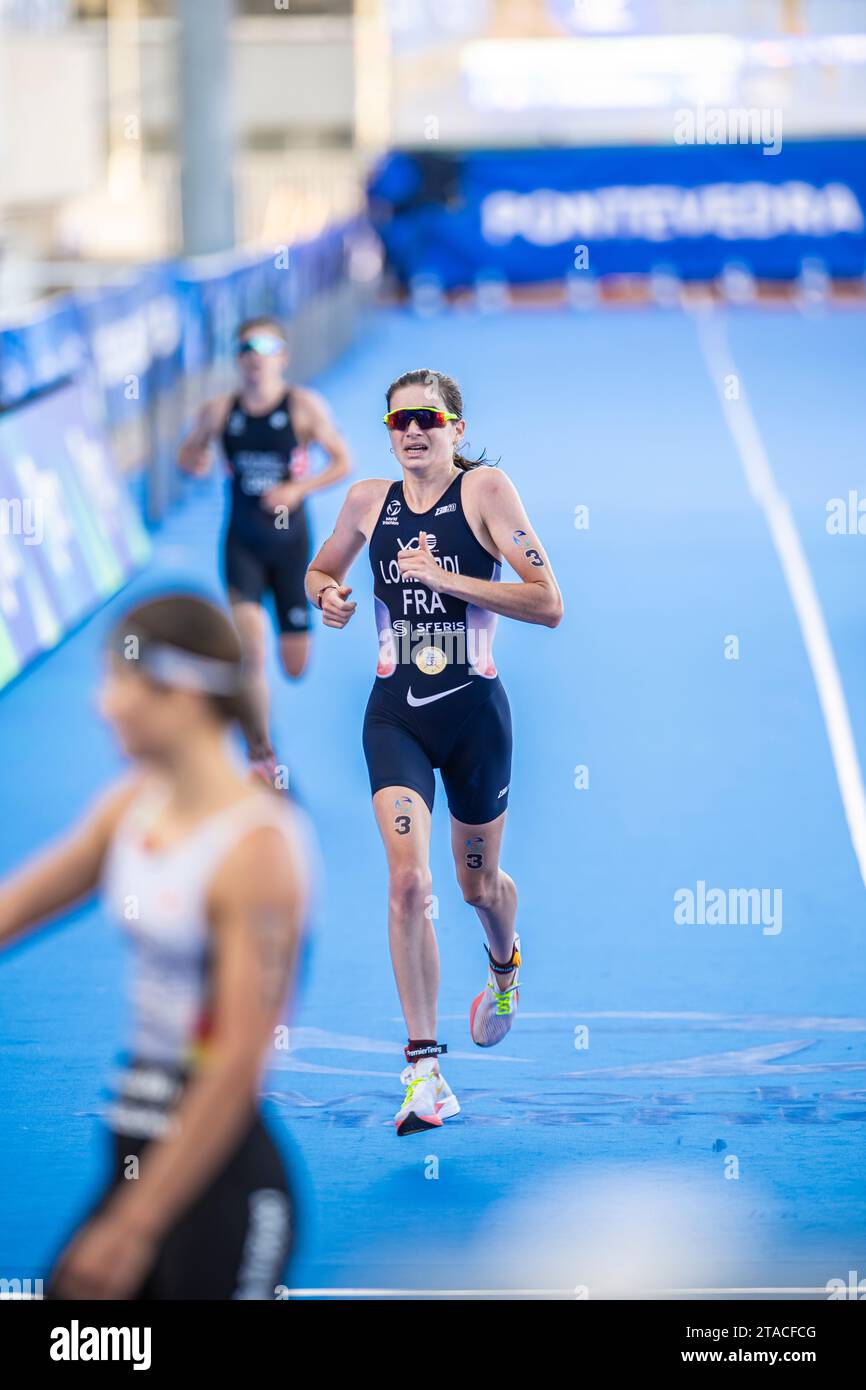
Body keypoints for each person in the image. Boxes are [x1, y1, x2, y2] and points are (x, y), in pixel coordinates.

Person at [0, 592, 311, 1298]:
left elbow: (236, 1060)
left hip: (220, 1174)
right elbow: (11, 909)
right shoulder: (133, 806)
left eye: (117, 682)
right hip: (136, 1132)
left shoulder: (257, 850)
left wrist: (135, 1226)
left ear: (179, 694)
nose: (102, 705)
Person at [305, 369, 562, 1136]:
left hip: (476, 719)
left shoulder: (485, 493)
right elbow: (320, 568)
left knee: (477, 891)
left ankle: (505, 965)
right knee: (410, 885)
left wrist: (444, 576)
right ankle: (424, 1073)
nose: (412, 432)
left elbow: (548, 602)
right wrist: (329, 597)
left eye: (427, 418)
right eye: (397, 421)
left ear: (455, 426)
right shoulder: (365, 501)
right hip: (397, 720)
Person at [178, 316, 351, 779]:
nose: (256, 357)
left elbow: (342, 461)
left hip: (292, 547)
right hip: (242, 545)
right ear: (238, 359)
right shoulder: (219, 411)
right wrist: (193, 460)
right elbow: (189, 452)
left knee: (294, 665)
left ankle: (262, 737)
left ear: (283, 356)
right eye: (247, 349)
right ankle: (260, 753)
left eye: (266, 347)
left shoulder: (303, 408)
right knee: (250, 652)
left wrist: (298, 489)